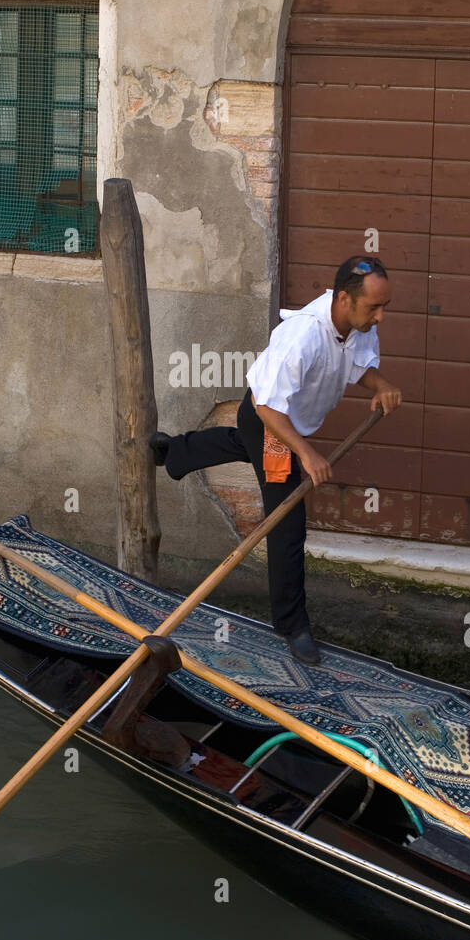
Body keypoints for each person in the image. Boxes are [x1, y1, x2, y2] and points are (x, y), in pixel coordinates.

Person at [151, 256, 402, 665]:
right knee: (287, 524)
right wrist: (306, 454)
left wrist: (383, 385)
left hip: (286, 420)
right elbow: (267, 408)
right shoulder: (301, 336)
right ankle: (293, 626)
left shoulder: (358, 326)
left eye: (384, 307)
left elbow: (359, 367)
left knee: (237, 442)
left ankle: (173, 452)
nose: (380, 317)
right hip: (272, 420)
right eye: (373, 307)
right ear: (343, 299)